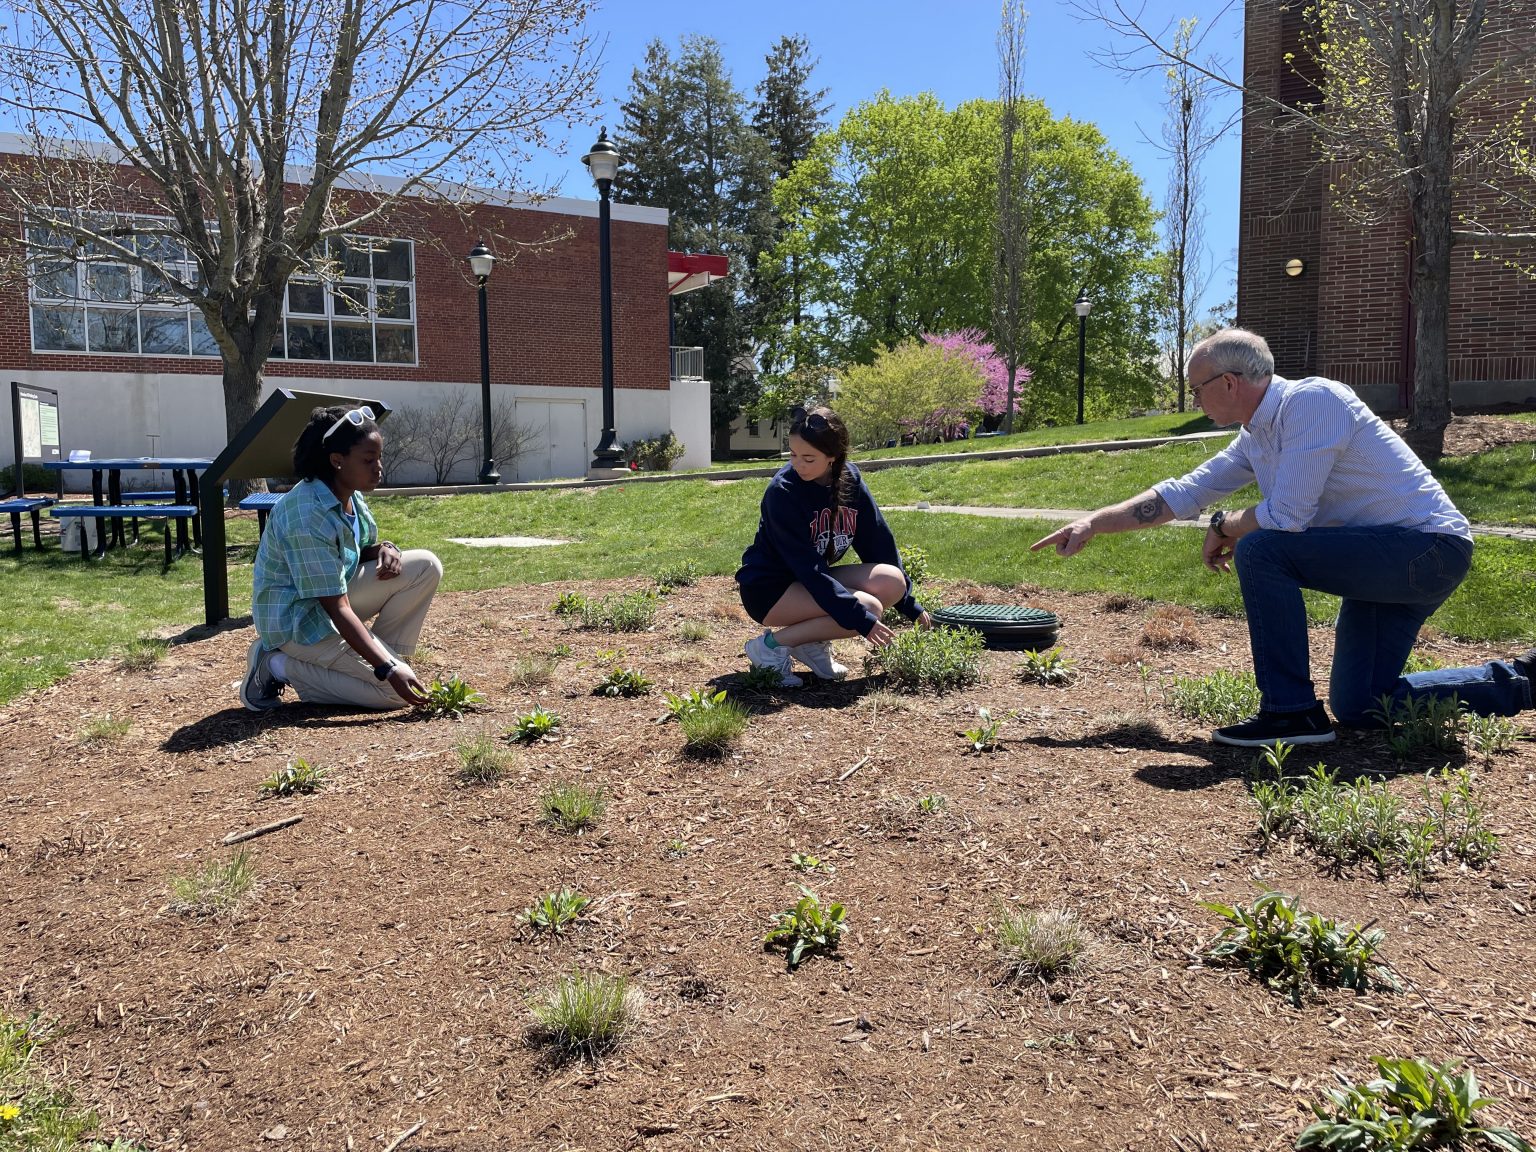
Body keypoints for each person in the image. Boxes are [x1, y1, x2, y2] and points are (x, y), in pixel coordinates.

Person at [1031, 327, 1535, 748]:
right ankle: (1525, 682)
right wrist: (1093, 522)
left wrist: (1224, 526)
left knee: (1263, 549)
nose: (1194, 399)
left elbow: (1288, 516)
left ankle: (1290, 712)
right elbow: (1185, 492)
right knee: (1362, 705)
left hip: (1426, 551)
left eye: (1196, 389)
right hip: (1384, 560)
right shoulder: (1257, 434)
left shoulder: (1313, 401)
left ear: (1229, 382)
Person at [240, 404, 443, 711]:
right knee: (392, 694)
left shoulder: (347, 491)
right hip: (298, 624)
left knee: (425, 566)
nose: (379, 467)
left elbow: (351, 551)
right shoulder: (307, 515)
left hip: (330, 601)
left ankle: (381, 660)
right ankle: (277, 665)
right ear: (337, 460)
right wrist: (387, 669)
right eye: (369, 460)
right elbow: (336, 607)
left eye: (379, 457)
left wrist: (383, 548)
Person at [735, 405, 932, 687]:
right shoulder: (782, 492)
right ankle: (768, 647)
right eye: (792, 454)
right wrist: (860, 619)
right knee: (868, 608)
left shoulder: (850, 479)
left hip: (808, 582)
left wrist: (908, 604)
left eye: (808, 458)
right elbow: (809, 570)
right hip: (769, 591)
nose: (798, 464)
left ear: (833, 456)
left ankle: (810, 642)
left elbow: (877, 542)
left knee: (892, 581)